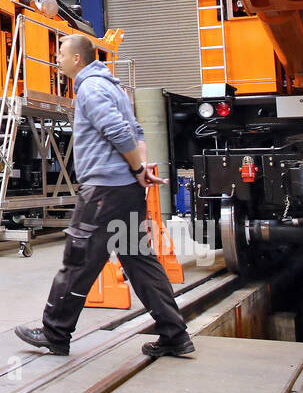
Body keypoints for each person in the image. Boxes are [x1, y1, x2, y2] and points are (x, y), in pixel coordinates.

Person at [15, 34, 193, 358]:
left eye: (61, 54)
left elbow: (118, 131)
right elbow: (137, 132)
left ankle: (55, 332)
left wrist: (139, 169)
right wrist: (139, 170)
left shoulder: (91, 87)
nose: (56, 59)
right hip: (124, 191)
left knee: (79, 258)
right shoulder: (115, 87)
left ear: (77, 60)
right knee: (140, 261)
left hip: (103, 192)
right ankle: (174, 333)